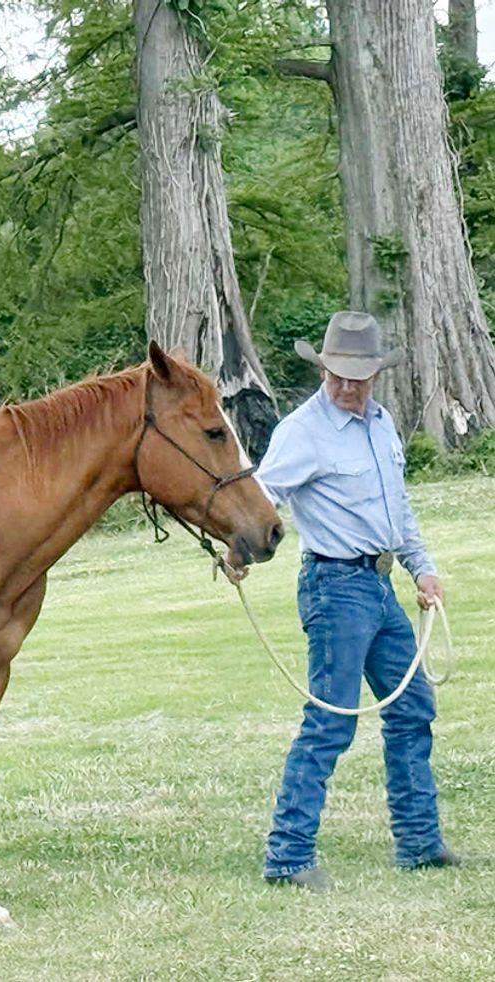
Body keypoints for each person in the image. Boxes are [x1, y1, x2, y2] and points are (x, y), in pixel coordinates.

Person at [255, 311, 455, 894]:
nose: (346, 386)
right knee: (330, 723)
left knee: (413, 708)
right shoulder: (301, 430)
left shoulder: (383, 424)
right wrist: (239, 549)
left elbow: (399, 510)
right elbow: (262, 496)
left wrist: (424, 568)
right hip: (334, 588)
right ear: (323, 368)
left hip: (382, 587)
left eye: (358, 377)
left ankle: (419, 844)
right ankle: (288, 858)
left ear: (375, 376)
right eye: (337, 375)